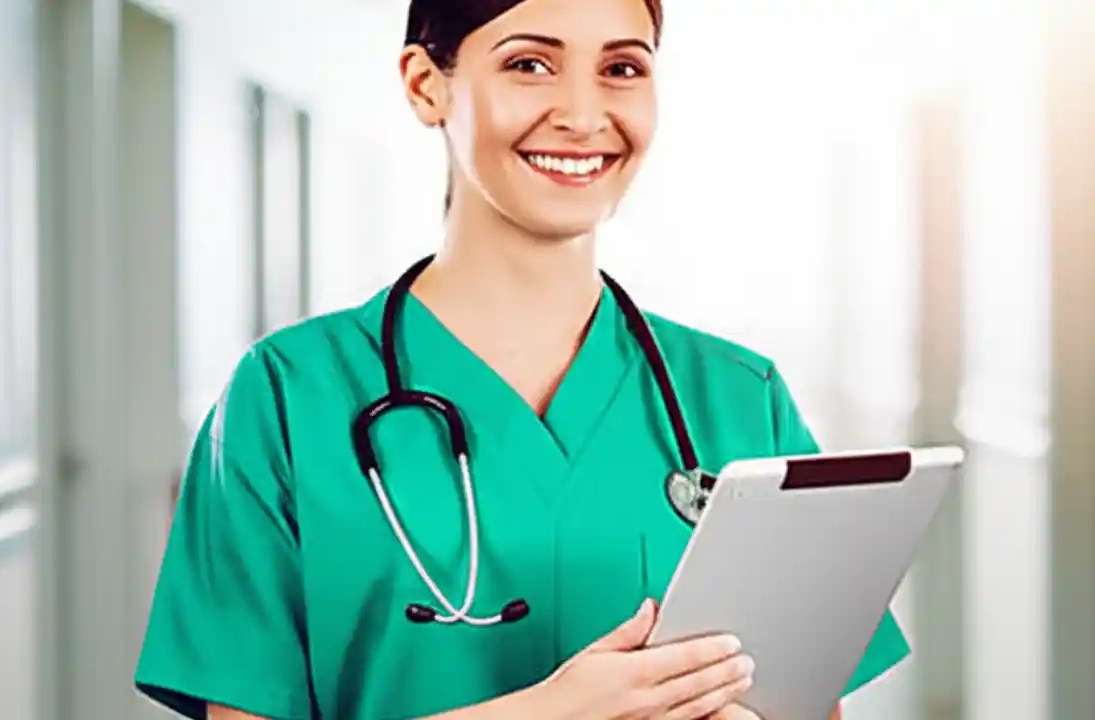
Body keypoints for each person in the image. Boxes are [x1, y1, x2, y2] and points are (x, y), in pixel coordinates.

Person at [133, 0, 911, 717]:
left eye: (622, 68)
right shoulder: (286, 399)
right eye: (529, 63)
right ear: (424, 85)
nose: (582, 114)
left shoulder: (742, 399)